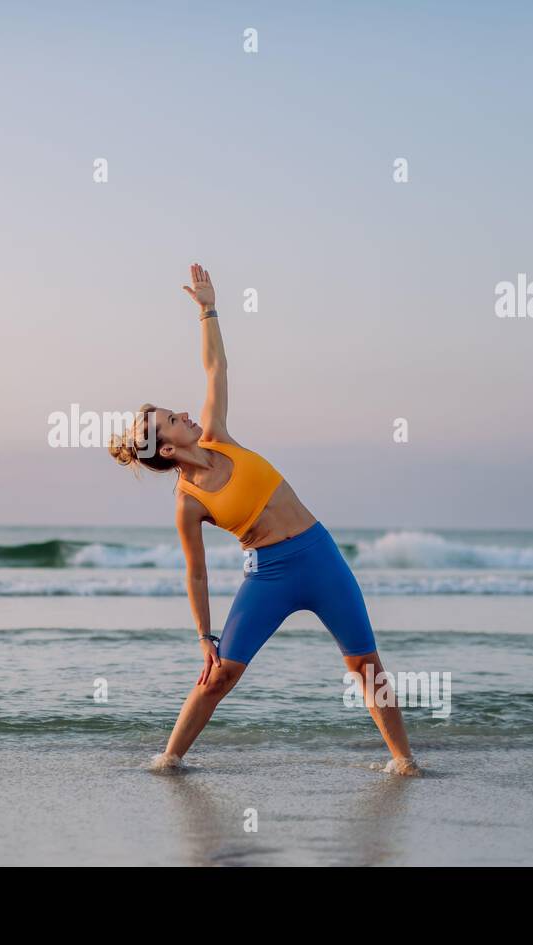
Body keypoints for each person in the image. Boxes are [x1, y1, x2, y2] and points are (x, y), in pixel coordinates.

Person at [108, 264, 421, 776]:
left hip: (320, 557)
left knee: (365, 665)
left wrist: (208, 310)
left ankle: (405, 763)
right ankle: (168, 761)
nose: (184, 413)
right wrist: (204, 638)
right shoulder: (188, 503)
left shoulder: (219, 436)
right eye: (171, 418)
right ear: (166, 447)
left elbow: (216, 369)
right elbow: (196, 572)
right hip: (269, 576)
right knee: (219, 675)